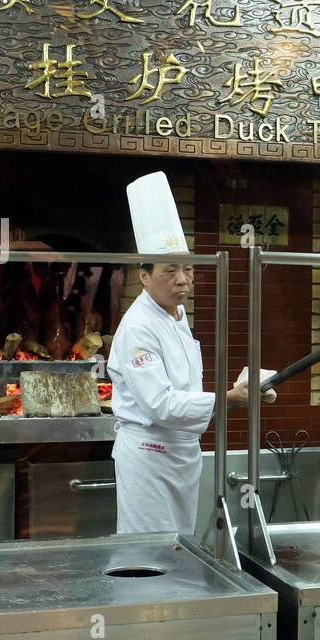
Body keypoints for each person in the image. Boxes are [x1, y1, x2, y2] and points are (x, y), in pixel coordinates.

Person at [109, 171, 249, 536]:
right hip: (150, 458)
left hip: (183, 455)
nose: (183, 280)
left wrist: (231, 399)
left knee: (180, 551)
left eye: (187, 269)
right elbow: (162, 404)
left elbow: (185, 387)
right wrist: (227, 397)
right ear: (144, 276)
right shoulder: (139, 326)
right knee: (150, 556)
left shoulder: (177, 314)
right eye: (170, 271)